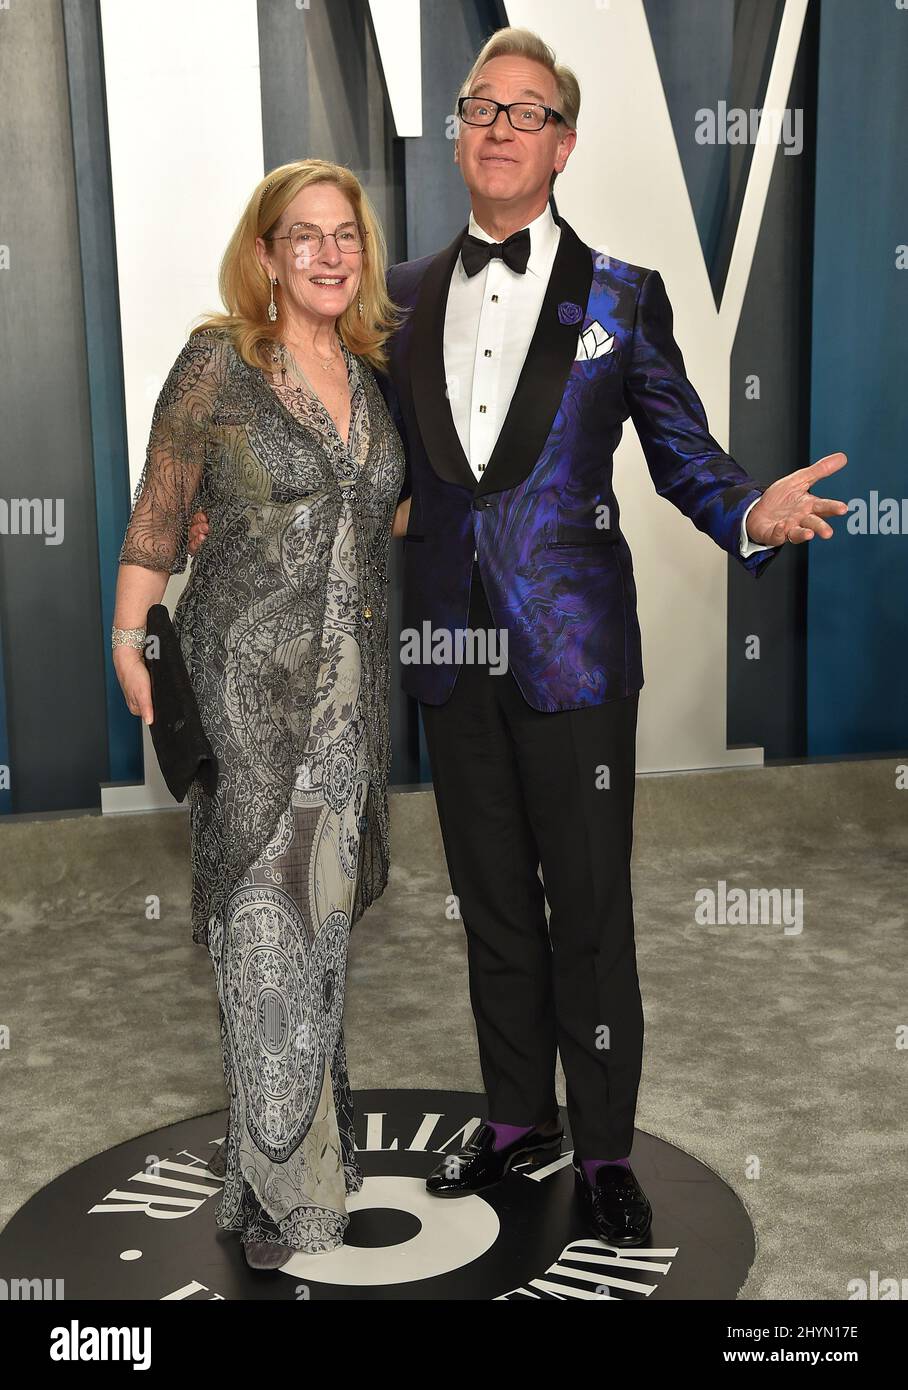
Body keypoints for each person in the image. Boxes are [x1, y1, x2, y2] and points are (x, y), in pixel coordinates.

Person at [189, 29, 847, 1252]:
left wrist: (748, 507)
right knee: (489, 904)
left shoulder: (623, 295)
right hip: (447, 654)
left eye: (524, 110)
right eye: (478, 105)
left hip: (575, 656)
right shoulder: (398, 299)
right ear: (460, 132)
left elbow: (680, 450)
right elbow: (349, 460)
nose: (497, 125)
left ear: (562, 142)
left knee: (587, 910)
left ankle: (600, 1146)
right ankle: (511, 1119)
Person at [112, 158, 407, 1269]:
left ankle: (258, 1169)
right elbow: (156, 520)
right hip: (244, 703)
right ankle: (302, 1193)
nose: (331, 254)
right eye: (306, 236)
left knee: (317, 945)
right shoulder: (216, 368)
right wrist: (126, 637)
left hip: (347, 722)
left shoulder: (369, 384)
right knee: (263, 938)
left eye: (348, 237)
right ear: (266, 254)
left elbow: (381, 518)